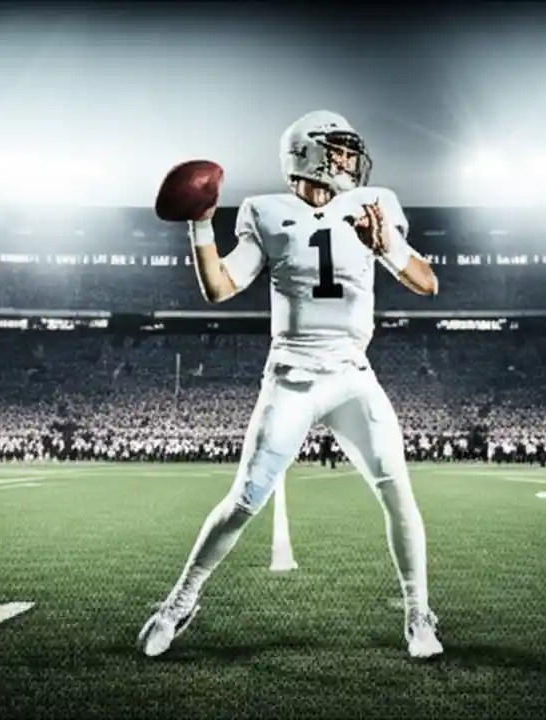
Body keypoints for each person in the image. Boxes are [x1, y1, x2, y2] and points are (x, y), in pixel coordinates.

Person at [137, 110, 443, 659]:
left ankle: (419, 614)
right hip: (292, 376)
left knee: (398, 491)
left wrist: (387, 249)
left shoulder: (375, 203)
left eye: (351, 150)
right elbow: (220, 287)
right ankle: (179, 602)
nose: (350, 160)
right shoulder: (265, 211)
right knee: (245, 499)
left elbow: (427, 282)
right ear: (307, 154)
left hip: (352, 374)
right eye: (339, 150)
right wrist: (201, 223)